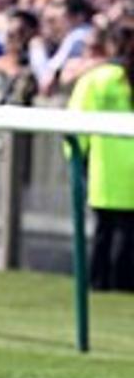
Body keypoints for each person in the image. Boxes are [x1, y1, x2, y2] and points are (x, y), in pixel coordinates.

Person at [65, 23, 134, 292]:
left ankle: (99, 281)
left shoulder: (95, 79)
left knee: (105, 229)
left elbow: (76, 122)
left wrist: (74, 156)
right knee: (128, 232)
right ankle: (124, 283)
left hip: (104, 164)